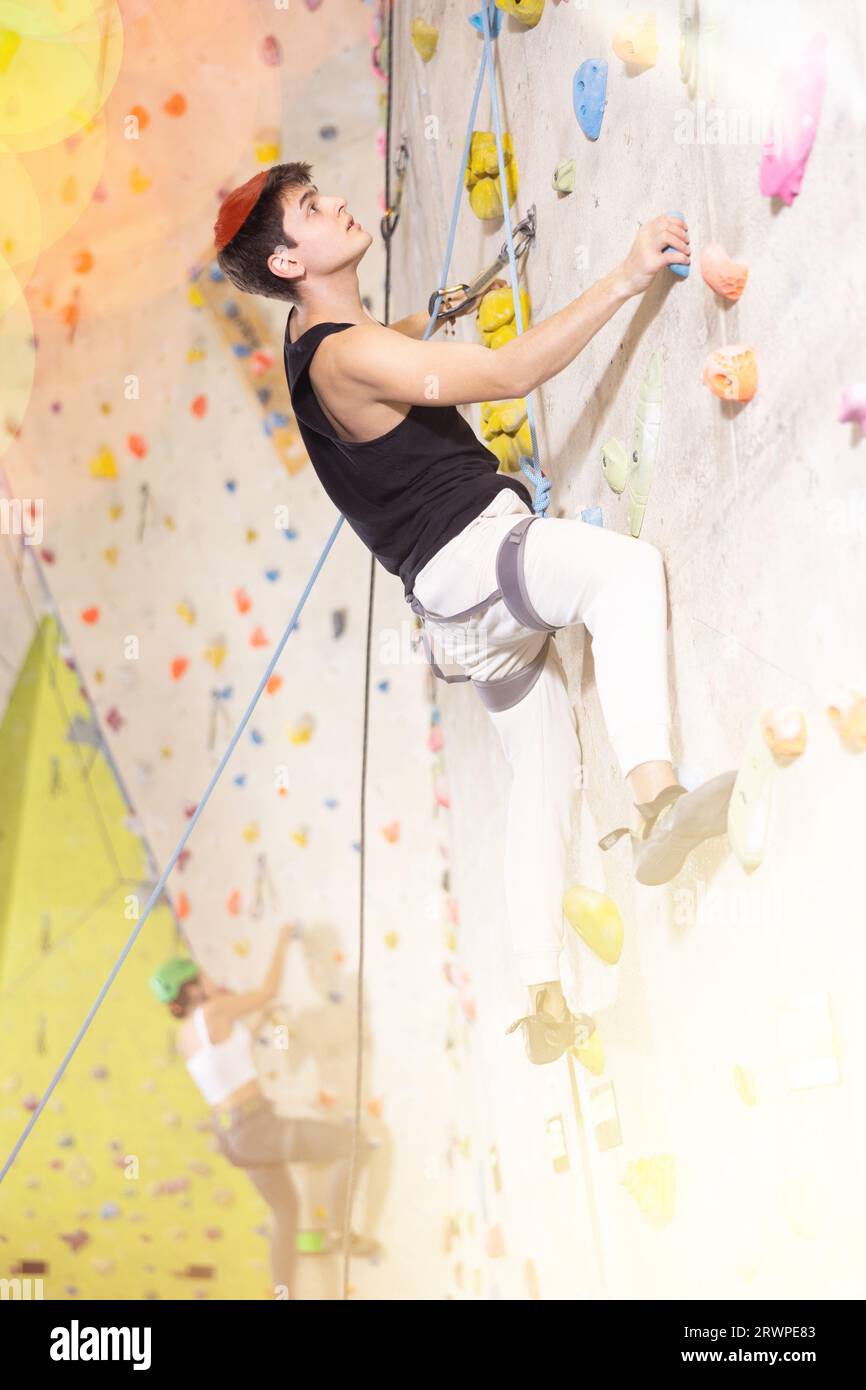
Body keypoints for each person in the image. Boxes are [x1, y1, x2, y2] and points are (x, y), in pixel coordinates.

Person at [212, 163, 737, 1066]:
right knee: (624, 575)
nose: (335, 202)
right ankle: (656, 800)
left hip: (453, 616)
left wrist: (435, 315)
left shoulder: (313, 340)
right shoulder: (348, 352)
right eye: (310, 209)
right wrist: (623, 274)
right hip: (480, 561)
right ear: (292, 258)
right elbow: (503, 374)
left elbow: (383, 349)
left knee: (542, 773)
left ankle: (541, 989)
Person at [149, 927, 379, 1297]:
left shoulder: (187, 1035)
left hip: (234, 1137)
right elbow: (266, 991)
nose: (209, 979)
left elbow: (233, 1061)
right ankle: (339, 1232)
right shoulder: (211, 1012)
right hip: (256, 1128)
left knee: (287, 1211)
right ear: (191, 988)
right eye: (201, 976)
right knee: (356, 1142)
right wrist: (283, 940)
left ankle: (282, 1294)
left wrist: (260, 1023)